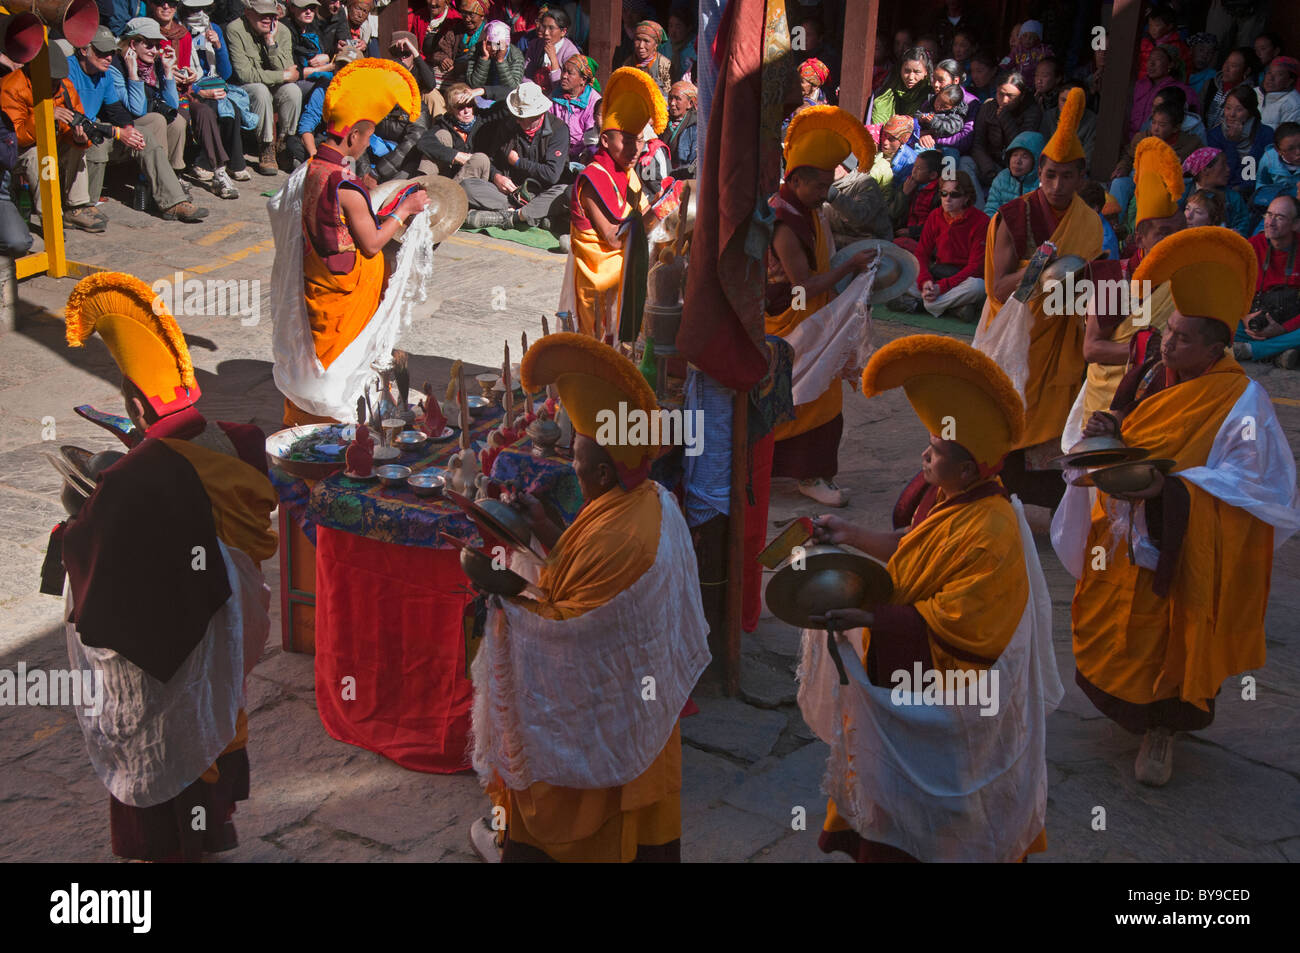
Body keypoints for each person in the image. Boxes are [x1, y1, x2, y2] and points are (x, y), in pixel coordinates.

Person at [1054, 227, 1300, 786]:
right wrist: (1105, 430)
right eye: (1167, 331)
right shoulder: (1149, 374)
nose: (1168, 344)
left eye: (1184, 339)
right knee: (1123, 629)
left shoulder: (1243, 400)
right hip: (1126, 530)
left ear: (1216, 350)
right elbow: (1122, 426)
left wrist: (1168, 491)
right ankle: (1134, 713)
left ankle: (1163, 732)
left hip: (1186, 539)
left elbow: (1252, 484)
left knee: (1175, 639)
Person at [805, 334, 1060, 863]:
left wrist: (874, 617)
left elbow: (960, 625)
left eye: (937, 451)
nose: (924, 456)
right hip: (904, 658)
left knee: (940, 806)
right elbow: (910, 549)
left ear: (969, 469)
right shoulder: (947, 497)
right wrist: (851, 535)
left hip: (948, 689)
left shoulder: (993, 531)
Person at [57, 270, 278, 861]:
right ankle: (213, 833)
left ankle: (170, 849)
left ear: (134, 403)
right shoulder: (241, 441)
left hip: (166, 647)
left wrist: (72, 527)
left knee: (161, 733)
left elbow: (100, 571)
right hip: (227, 625)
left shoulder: (131, 479)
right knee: (212, 715)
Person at [468, 332, 711, 863]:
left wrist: (503, 603)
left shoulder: (617, 533)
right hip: (642, 710)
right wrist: (545, 530)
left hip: (604, 715)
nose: (570, 465)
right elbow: (585, 584)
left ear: (602, 470)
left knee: (567, 827)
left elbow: (567, 636)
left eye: (576, 456)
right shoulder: (653, 500)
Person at [273, 58, 431, 426]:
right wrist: (405, 208)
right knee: (341, 363)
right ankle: (336, 421)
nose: (367, 143)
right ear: (353, 135)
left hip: (318, 278)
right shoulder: (346, 187)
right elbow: (373, 243)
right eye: (366, 135)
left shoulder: (312, 168)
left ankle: (302, 416)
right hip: (346, 287)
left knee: (317, 355)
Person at [973, 87, 1101, 510]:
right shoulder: (1014, 216)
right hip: (1015, 335)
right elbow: (998, 289)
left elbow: (1090, 283)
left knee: (1053, 419)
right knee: (1007, 413)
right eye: (1050, 175)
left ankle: (1048, 502)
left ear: (1082, 178)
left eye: (1068, 177)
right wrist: (1042, 270)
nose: (1058, 185)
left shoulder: (1090, 223)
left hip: (1062, 337)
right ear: (1038, 173)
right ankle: (990, 494)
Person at [766, 105, 877, 507]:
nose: (825, 193)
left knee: (818, 395)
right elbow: (804, 286)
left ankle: (806, 471)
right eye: (819, 185)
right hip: (791, 321)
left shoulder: (805, 209)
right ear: (795, 179)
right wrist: (849, 266)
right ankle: (808, 474)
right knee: (811, 395)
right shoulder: (783, 221)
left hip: (810, 319)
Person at [1064, 136, 1186, 451]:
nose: (1175, 241)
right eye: (1164, 233)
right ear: (1139, 237)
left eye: (1180, 231)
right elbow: (1092, 349)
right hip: (1108, 404)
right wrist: (1150, 351)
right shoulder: (1116, 278)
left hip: (1162, 397)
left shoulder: (1186, 278)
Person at [561, 66, 663, 338]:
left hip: (623, 273)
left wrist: (667, 208)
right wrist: (658, 213)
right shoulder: (592, 178)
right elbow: (614, 239)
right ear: (605, 139)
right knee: (600, 348)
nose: (635, 150)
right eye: (627, 141)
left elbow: (644, 220)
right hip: (599, 281)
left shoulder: (629, 175)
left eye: (640, 141)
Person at [70, 26, 209, 222]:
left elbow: (116, 110)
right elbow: (76, 118)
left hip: (100, 128)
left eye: (110, 52)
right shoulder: (70, 71)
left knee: (144, 134)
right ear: (84, 50)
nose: (108, 58)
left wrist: (128, 129)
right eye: (101, 53)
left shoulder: (105, 73)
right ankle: (85, 207)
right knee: (96, 145)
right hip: (74, 133)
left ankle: (173, 202)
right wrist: (119, 132)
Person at [1, 41, 102, 233]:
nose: (55, 85)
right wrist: (45, 114)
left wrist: (79, 138)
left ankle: (76, 206)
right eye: (51, 80)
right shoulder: (12, 87)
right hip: (18, 149)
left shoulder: (64, 86)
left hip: (50, 139)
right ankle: (50, 217)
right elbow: (16, 137)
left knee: (76, 148)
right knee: (37, 155)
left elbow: (74, 124)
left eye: (57, 80)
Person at [460, 80, 570, 232]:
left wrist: (518, 162)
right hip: (511, 195)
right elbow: (492, 159)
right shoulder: (509, 125)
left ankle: (507, 218)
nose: (517, 120)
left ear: (537, 115)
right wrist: (496, 176)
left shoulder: (559, 130)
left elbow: (551, 175)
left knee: (565, 192)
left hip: (544, 194)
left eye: (522, 117)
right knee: (467, 187)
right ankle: (534, 215)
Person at [227, 0, 303, 175]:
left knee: (293, 91)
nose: (268, 19)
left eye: (271, 14)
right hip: (247, 91)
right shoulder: (235, 29)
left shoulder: (282, 31)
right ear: (248, 12)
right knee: (260, 89)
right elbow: (245, 74)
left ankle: (283, 143)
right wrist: (282, 76)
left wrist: (270, 42)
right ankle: (266, 145)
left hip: (274, 88)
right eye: (262, 14)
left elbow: (289, 70)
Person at [900, 170, 987, 321]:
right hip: (938, 273)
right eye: (944, 193)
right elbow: (921, 253)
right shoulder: (935, 215)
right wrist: (925, 282)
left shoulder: (981, 221)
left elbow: (975, 267)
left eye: (954, 195)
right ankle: (955, 308)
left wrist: (941, 287)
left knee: (979, 286)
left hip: (964, 278)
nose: (947, 199)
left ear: (966, 197)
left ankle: (924, 305)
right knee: (903, 274)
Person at [180, 0, 246, 197]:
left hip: (215, 82)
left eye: (202, 9)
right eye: (193, 9)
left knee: (231, 108)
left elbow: (225, 72)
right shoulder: (181, 32)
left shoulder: (214, 28)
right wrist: (199, 90)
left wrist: (218, 45)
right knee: (213, 107)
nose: (198, 13)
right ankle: (207, 162)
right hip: (194, 86)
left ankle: (235, 163)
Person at [112, 18, 187, 183]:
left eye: (157, 46)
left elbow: (173, 105)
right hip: (124, 122)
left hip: (147, 115)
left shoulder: (156, 64)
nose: (154, 51)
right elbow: (136, 109)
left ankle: (174, 175)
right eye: (149, 45)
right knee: (157, 119)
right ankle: (160, 181)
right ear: (133, 44)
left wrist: (168, 71)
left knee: (177, 121)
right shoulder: (116, 66)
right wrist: (133, 73)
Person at [1233, 194, 1300, 367]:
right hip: (1254, 322)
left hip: (1290, 323)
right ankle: (1277, 353)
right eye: (1269, 215)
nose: (1270, 222)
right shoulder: (1253, 245)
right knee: (1215, 322)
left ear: (1296, 224)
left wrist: (1283, 329)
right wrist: (1244, 316)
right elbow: (1233, 287)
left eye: (1279, 217)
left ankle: (1253, 351)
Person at [963, 71, 1041, 193]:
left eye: (1011, 96)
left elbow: (1022, 146)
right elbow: (978, 144)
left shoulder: (1031, 112)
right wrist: (989, 169)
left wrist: (1005, 119)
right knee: (965, 163)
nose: (1004, 100)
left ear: (1022, 96)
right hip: (991, 165)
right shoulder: (988, 108)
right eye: (1001, 94)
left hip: (1016, 167)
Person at [1206, 85, 1273, 199]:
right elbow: (1224, 174)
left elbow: (1263, 173)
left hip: (1254, 192)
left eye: (1239, 109)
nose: (1231, 114)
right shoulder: (1215, 135)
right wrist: (1232, 143)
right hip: (1223, 192)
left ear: (1250, 111)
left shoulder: (1265, 134)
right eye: (1228, 108)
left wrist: (1244, 188)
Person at [419, 81, 490, 180]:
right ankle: (422, 186)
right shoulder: (445, 123)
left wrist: (482, 91)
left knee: (481, 158)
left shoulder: (485, 119)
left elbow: (508, 97)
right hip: (448, 175)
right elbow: (424, 142)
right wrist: (456, 155)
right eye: (460, 107)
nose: (467, 111)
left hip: (472, 180)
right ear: (451, 109)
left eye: (470, 104)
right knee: (442, 135)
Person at [1183, 146, 1251, 235]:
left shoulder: (1234, 199)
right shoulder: (1182, 192)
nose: (1228, 169)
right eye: (1223, 165)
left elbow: (1242, 226)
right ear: (1205, 170)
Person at [549, 54, 600, 164]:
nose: (564, 76)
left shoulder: (593, 101)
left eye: (570, 73)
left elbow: (591, 138)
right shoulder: (555, 96)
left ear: (583, 80)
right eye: (563, 71)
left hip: (583, 155)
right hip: (557, 150)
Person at [889, 148, 942, 251]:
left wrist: (912, 232)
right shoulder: (908, 184)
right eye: (914, 166)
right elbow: (892, 213)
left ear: (933, 175)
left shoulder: (939, 195)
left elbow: (937, 225)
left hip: (923, 238)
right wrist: (904, 195)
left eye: (919, 168)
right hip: (900, 232)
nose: (913, 171)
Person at [982, 130, 1042, 216]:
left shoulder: (1041, 183)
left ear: (1035, 161)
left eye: (1025, 157)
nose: (1018, 161)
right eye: (1014, 155)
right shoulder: (1002, 178)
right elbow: (991, 210)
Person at [870, 47, 932, 126]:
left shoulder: (929, 94)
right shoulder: (889, 91)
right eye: (907, 71)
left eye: (917, 72)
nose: (910, 77)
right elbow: (879, 118)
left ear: (926, 72)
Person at [523, 7, 578, 93]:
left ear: (563, 31)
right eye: (544, 27)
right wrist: (534, 92)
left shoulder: (571, 53)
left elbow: (564, 87)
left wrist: (553, 60)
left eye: (551, 28)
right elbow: (526, 74)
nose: (546, 32)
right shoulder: (535, 45)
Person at [466, 19, 524, 101]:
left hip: (505, 99)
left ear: (506, 44)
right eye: (489, 43)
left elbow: (512, 89)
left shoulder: (515, 55)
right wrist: (484, 59)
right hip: (480, 95)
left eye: (498, 44)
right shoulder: (476, 50)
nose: (493, 48)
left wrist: (501, 61)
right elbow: (473, 84)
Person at [1202, 47, 1257, 131]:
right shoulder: (1211, 84)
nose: (1226, 69)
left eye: (1233, 66)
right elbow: (1199, 110)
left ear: (1246, 71)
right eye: (1226, 63)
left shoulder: (1249, 93)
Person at [1040, 80, 1098, 157]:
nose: (1067, 105)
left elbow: (1088, 155)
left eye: (1073, 101)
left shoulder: (1091, 121)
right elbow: (1042, 147)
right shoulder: (1049, 116)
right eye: (1063, 100)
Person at [1254, 122, 1300, 213]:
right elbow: (1262, 183)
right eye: (1291, 149)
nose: (1298, 152)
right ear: (1278, 150)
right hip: (1277, 207)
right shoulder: (1269, 159)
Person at [623, 19, 671, 98]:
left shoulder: (665, 65)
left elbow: (667, 93)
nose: (641, 46)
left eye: (646, 41)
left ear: (656, 44)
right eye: (638, 40)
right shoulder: (627, 64)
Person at [1256, 55, 1300, 129]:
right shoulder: (1254, 92)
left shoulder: (1293, 104)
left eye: (1279, 74)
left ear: (1289, 81)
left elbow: (1286, 137)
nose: (1270, 78)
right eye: (1269, 72)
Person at [663, 79, 695, 179]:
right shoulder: (662, 121)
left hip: (682, 179)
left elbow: (694, 163)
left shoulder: (695, 127)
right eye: (670, 98)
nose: (672, 103)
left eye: (677, 99)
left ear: (690, 103)